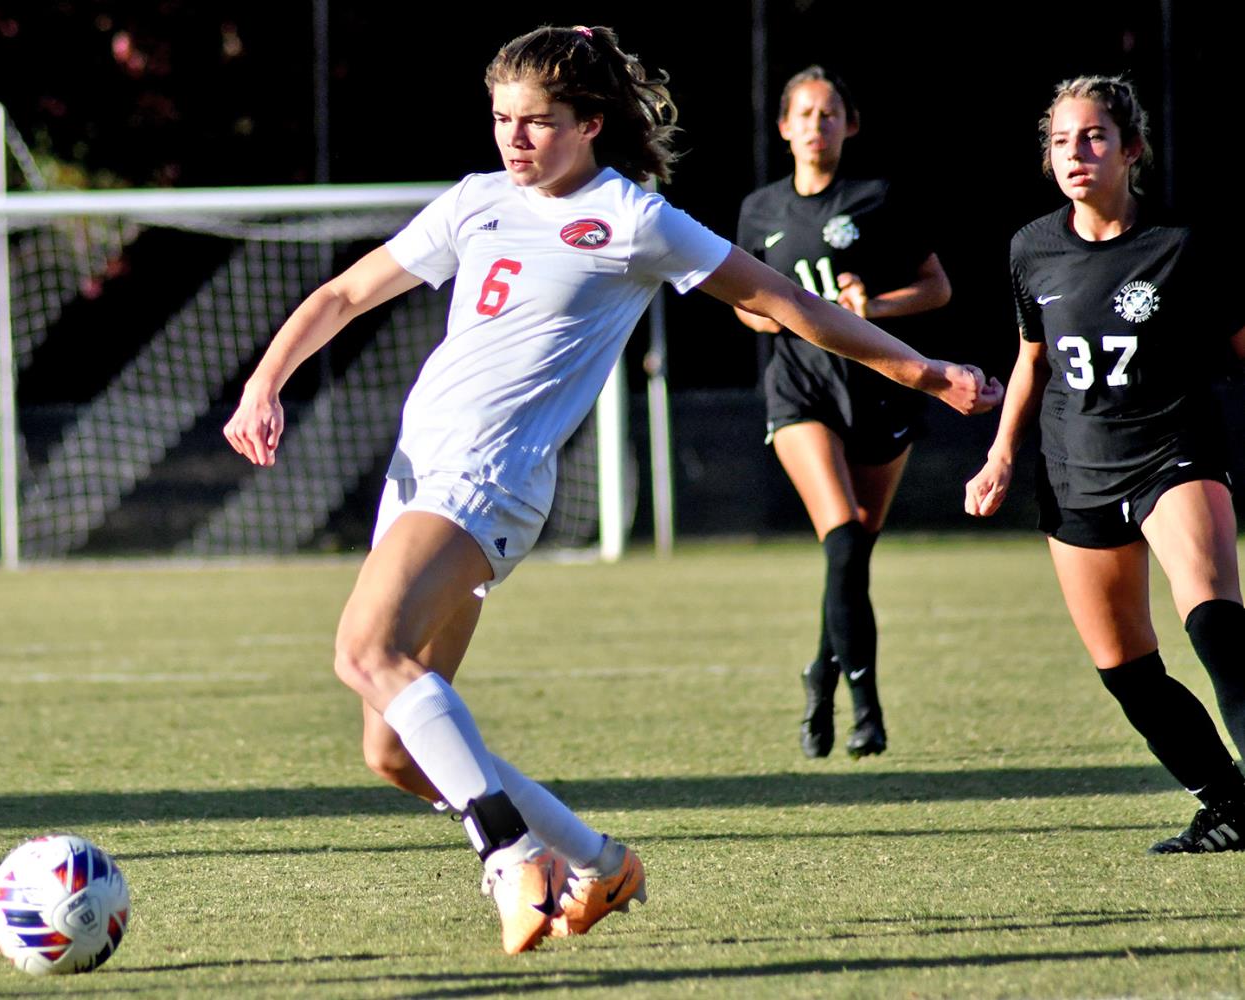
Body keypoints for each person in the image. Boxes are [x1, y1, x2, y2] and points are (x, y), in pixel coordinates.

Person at [225, 25, 1001, 956]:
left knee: (363, 649)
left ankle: (510, 856)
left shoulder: (634, 219)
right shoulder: (475, 202)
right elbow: (345, 295)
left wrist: (923, 372)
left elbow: (788, 305)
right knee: (393, 746)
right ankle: (597, 859)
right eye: (503, 119)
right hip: (416, 475)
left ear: (590, 123)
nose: (515, 140)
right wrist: (264, 380)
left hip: (491, 478)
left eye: (538, 123)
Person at [965, 75, 1245, 854]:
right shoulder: (1032, 247)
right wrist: (999, 457)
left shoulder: (1180, 242)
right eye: (1060, 140)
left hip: (1171, 456)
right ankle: (1227, 802)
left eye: (1093, 137)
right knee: (1126, 669)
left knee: (1218, 628)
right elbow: (1032, 360)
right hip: (1074, 472)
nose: (1075, 153)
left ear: (1132, 149)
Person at [735, 66, 954, 759]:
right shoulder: (761, 209)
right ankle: (866, 708)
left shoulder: (877, 198)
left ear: (850, 125)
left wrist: (874, 307)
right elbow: (741, 298)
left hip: (875, 384)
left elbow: (937, 288)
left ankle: (820, 670)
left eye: (829, 114)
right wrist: (763, 319)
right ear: (783, 127)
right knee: (843, 536)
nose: (816, 126)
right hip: (799, 388)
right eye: (803, 113)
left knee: (854, 551)